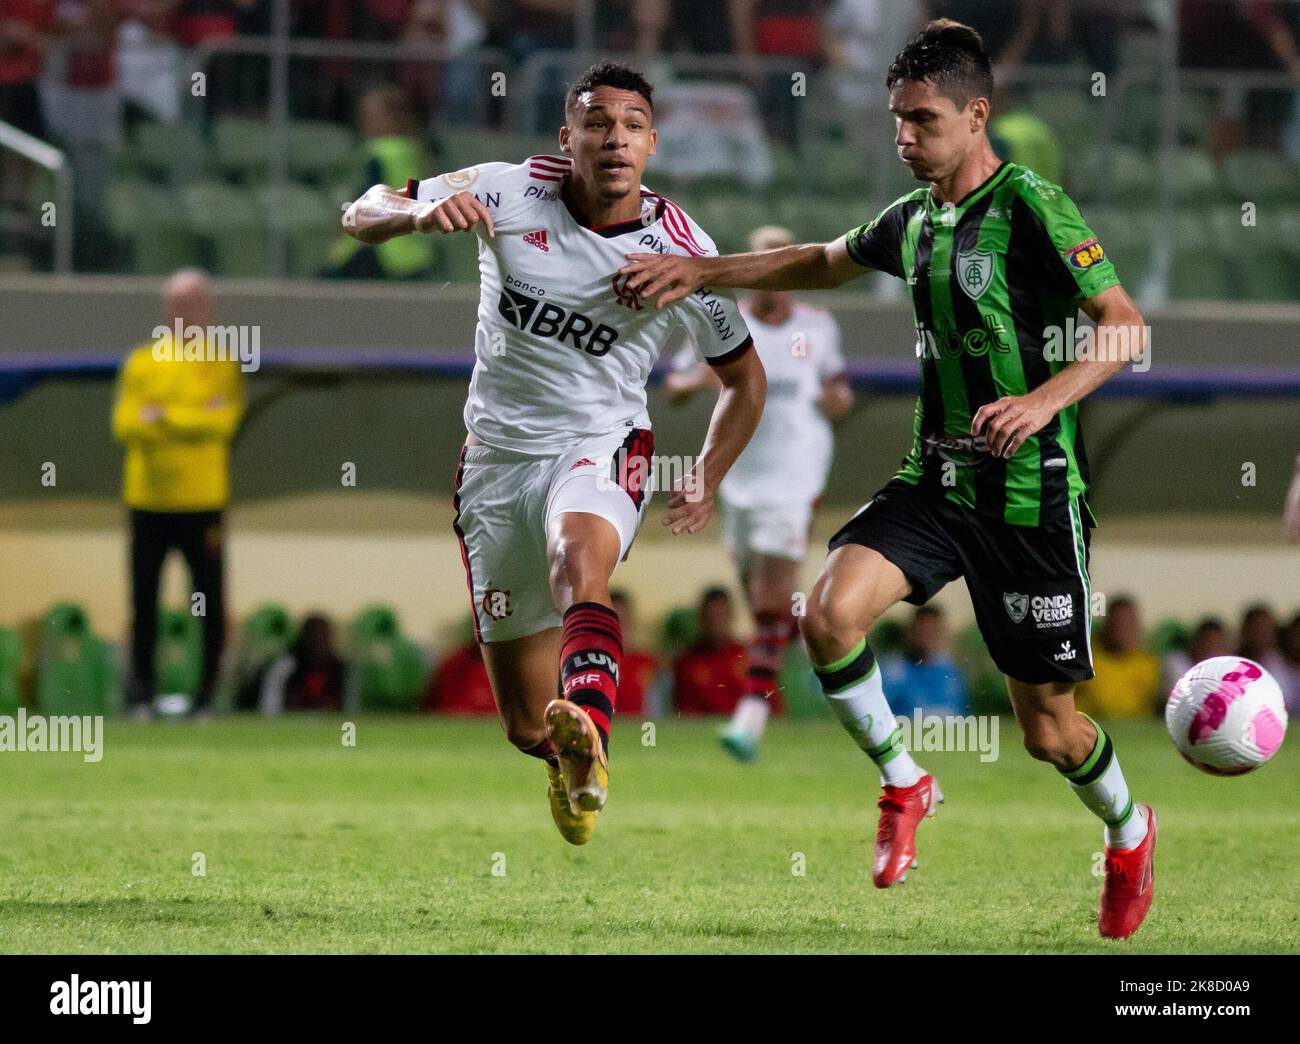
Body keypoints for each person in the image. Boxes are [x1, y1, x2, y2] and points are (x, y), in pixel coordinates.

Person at [619, 20, 1156, 938]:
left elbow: (1125, 325)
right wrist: (700, 268)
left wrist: (1039, 400)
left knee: (1049, 734)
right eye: (897, 121)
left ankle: (1129, 829)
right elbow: (822, 261)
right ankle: (906, 781)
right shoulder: (915, 220)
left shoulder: (1033, 205)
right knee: (824, 615)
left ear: (977, 115)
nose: (905, 138)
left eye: (923, 119)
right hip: (938, 482)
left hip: (1030, 498)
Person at [342, 61, 765, 847]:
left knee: (579, 561)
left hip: (603, 441)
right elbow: (360, 210)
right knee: (520, 721)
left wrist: (707, 474)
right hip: (497, 460)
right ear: (566, 138)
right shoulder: (505, 188)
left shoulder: (682, 250)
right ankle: (562, 755)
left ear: (652, 143)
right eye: (597, 123)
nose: (615, 139)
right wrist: (411, 217)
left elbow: (744, 380)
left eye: (632, 125)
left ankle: (593, 722)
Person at [667, 224, 851, 761]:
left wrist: (836, 399)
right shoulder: (724, 320)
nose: (773, 279)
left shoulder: (818, 325)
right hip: (736, 476)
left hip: (797, 475)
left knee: (771, 602)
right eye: (763, 266)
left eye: (781, 267)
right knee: (764, 604)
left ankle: (750, 715)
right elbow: (675, 385)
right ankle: (832, 636)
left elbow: (838, 387)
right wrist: (696, 382)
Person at [112, 270, 244, 720]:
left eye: (194, 304)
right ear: (168, 310)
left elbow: (222, 424)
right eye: (178, 304)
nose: (186, 312)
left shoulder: (222, 363)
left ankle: (205, 697)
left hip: (202, 504)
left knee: (208, 602)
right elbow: (126, 424)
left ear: (206, 310)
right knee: (143, 603)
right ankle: (142, 696)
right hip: (147, 502)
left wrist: (162, 417)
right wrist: (190, 417)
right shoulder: (142, 362)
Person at [1077, 596, 1161, 720]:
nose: (1122, 631)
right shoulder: (1085, 658)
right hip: (1092, 729)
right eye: (1118, 624)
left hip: (1137, 734)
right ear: (1107, 625)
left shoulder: (1149, 664)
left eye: (1128, 625)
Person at [879, 606, 968, 717]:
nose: (927, 638)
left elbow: (960, 710)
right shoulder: (892, 671)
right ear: (910, 633)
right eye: (923, 632)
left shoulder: (949, 670)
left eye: (933, 632)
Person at [672, 587, 748, 716]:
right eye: (711, 616)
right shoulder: (686, 662)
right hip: (702, 733)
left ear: (731, 616)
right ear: (702, 617)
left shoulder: (747, 657)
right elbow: (684, 711)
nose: (716, 622)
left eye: (721, 615)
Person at [259, 614, 351, 714]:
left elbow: (350, 708)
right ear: (304, 638)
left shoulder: (340, 670)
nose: (318, 644)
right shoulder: (285, 666)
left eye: (323, 637)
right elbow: (269, 706)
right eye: (314, 638)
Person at [609, 589, 656, 718]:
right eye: (613, 620)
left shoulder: (648, 662)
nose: (618, 626)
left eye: (622, 619)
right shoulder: (590, 662)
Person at [1161, 615, 1230, 694]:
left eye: (1216, 645)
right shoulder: (1175, 663)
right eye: (1206, 643)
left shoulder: (1230, 671)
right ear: (1195, 641)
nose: (1210, 650)